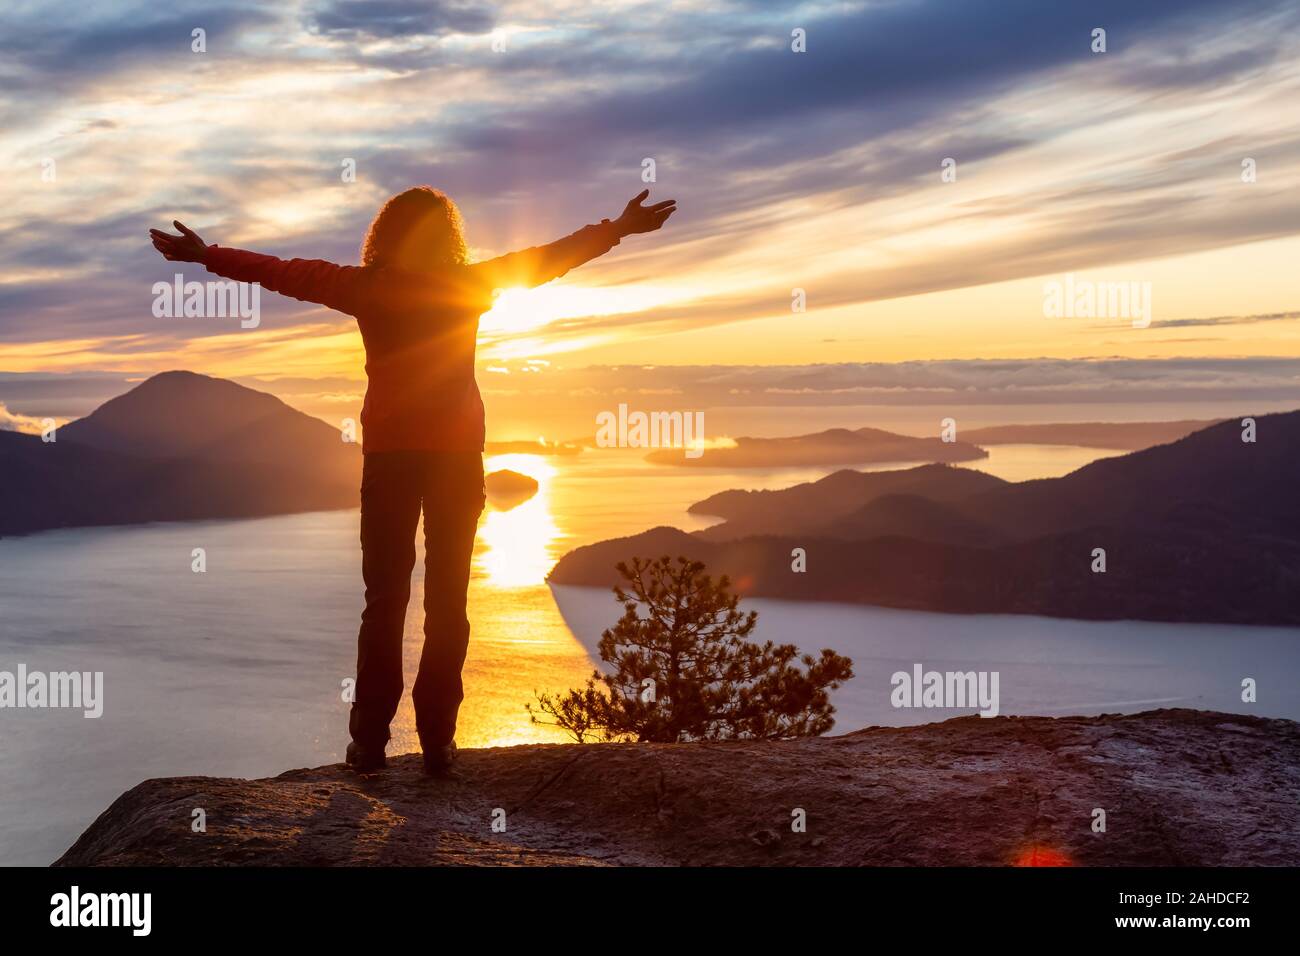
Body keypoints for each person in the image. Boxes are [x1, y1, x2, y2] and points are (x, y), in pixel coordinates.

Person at [149, 187, 677, 774]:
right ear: (448, 237)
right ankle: (437, 745)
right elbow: (548, 258)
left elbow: (281, 272)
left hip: (391, 459)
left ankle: (369, 745)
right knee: (449, 601)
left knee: (385, 601)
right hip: (455, 459)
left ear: (387, 236)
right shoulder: (470, 284)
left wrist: (207, 255)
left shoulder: (364, 287)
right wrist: (619, 228)